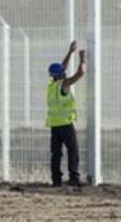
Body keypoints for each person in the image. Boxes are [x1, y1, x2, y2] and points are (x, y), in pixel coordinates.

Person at [46, 41, 86, 187]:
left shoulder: (52, 85)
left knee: (56, 154)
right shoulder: (64, 84)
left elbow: (61, 67)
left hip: (54, 125)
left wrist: (70, 53)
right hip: (66, 124)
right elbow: (80, 73)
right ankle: (74, 178)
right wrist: (82, 60)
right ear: (61, 74)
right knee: (72, 151)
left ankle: (56, 180)